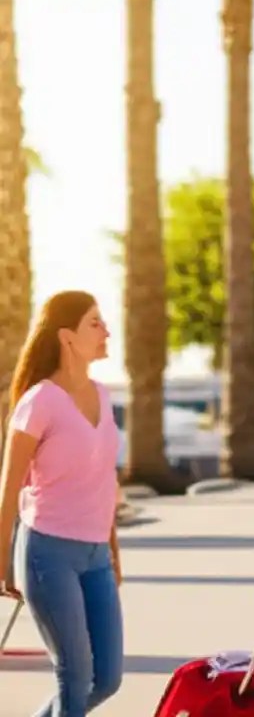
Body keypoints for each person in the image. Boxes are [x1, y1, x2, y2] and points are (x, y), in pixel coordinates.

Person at [0, 291, 123, 716]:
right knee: (74, 675)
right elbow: (8, 490)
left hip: (95, 555)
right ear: (67, 337)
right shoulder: (39, 402)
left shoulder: (104, 396)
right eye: (95, 322)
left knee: (107, 677)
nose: (106, 330)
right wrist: (1, 563)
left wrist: (113, 551)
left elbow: (105, 479)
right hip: (47, 553)